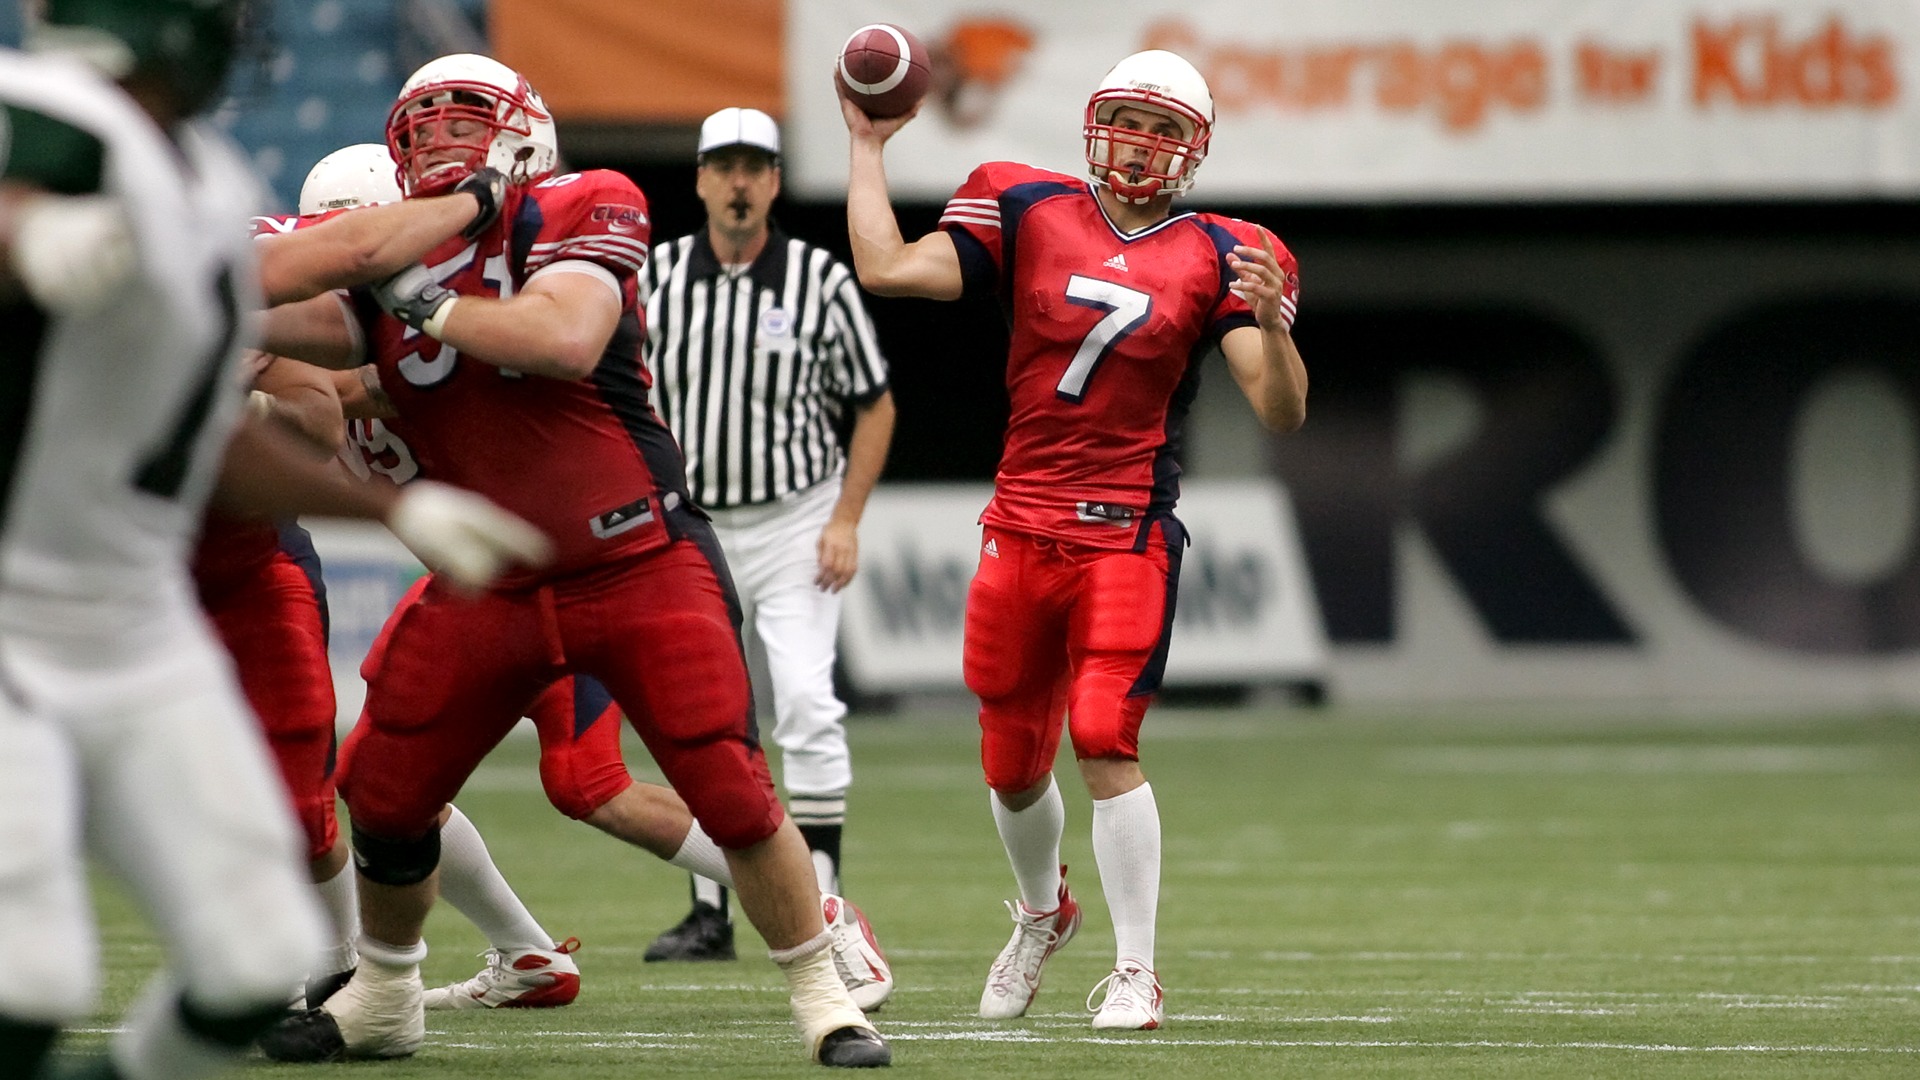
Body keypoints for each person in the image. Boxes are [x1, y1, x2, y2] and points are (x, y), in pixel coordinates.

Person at [253, 53, 890, 1066]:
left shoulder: (582, 204)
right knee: (380, 788)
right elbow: (262, 298)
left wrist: (420, 300)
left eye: (467, 121)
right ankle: (384, 991)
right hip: (493, 578)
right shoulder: (381, 266)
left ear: (522, 135)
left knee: (726, 786)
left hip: (633, 554)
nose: (444, 143)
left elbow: (562, 336)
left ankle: (825, 996)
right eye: (424, 127)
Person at [0, 6, 550, 1077]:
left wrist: (395, 509)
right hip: (15, 601)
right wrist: (29, 234)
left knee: (260, 952)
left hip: (138, 608)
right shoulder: (44, 111)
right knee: (29, 969)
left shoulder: (202, 186)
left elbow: (205, 440)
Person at [838, 49, 1307, 1030]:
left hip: (1124, 535)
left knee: (1102, 737)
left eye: (1165, 128)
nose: (1141, 142)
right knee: (1010, 761)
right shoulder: (1023, 202)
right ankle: (1043, 914)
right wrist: (864, 146)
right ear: (1094, 121)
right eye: (1128, 118)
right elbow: (886, 268)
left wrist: (1276, 325)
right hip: (1019, 527)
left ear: (1196, 149)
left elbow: (1277, 408)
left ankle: (1137, 971)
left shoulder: (1227, 251)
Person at [640, 106, 896, 965]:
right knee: (701, 712)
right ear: (704, 179)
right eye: (726, 167)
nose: (741, 182)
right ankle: (708, 907)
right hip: (694, 524)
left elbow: (875, 402)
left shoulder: (819, 279)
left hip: (793, 518)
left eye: (756, 167)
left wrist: (846, 518)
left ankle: (819, 895)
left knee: (806, 702)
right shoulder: (657, 276)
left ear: (776, 180)